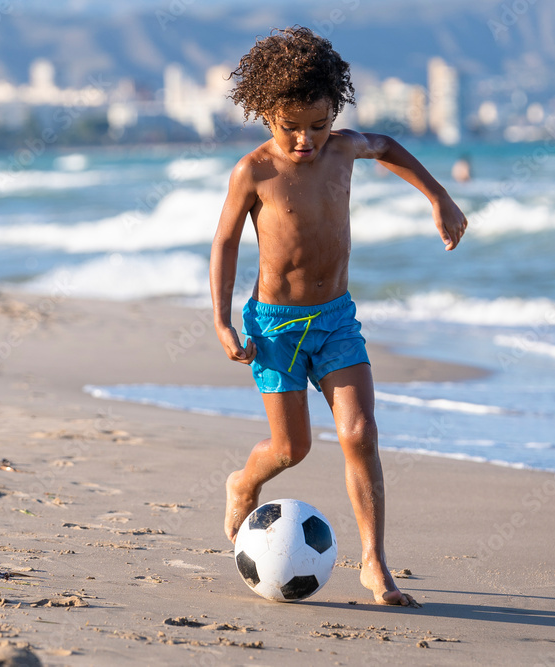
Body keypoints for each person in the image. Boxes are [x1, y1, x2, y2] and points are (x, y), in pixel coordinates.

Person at [211, 26, 468, 607]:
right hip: (274, 325)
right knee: (290, 449)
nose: (306, 139)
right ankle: (245, 481)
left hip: (336, 319)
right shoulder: (253, 172)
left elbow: (389, 147)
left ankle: (374, 561)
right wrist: (223, 320)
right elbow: (225, 243)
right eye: (291, 126)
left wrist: (440, 198)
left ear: (335, 113)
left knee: (360, 432)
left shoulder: (345, 148)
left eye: (319, 124)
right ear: (266, 113)